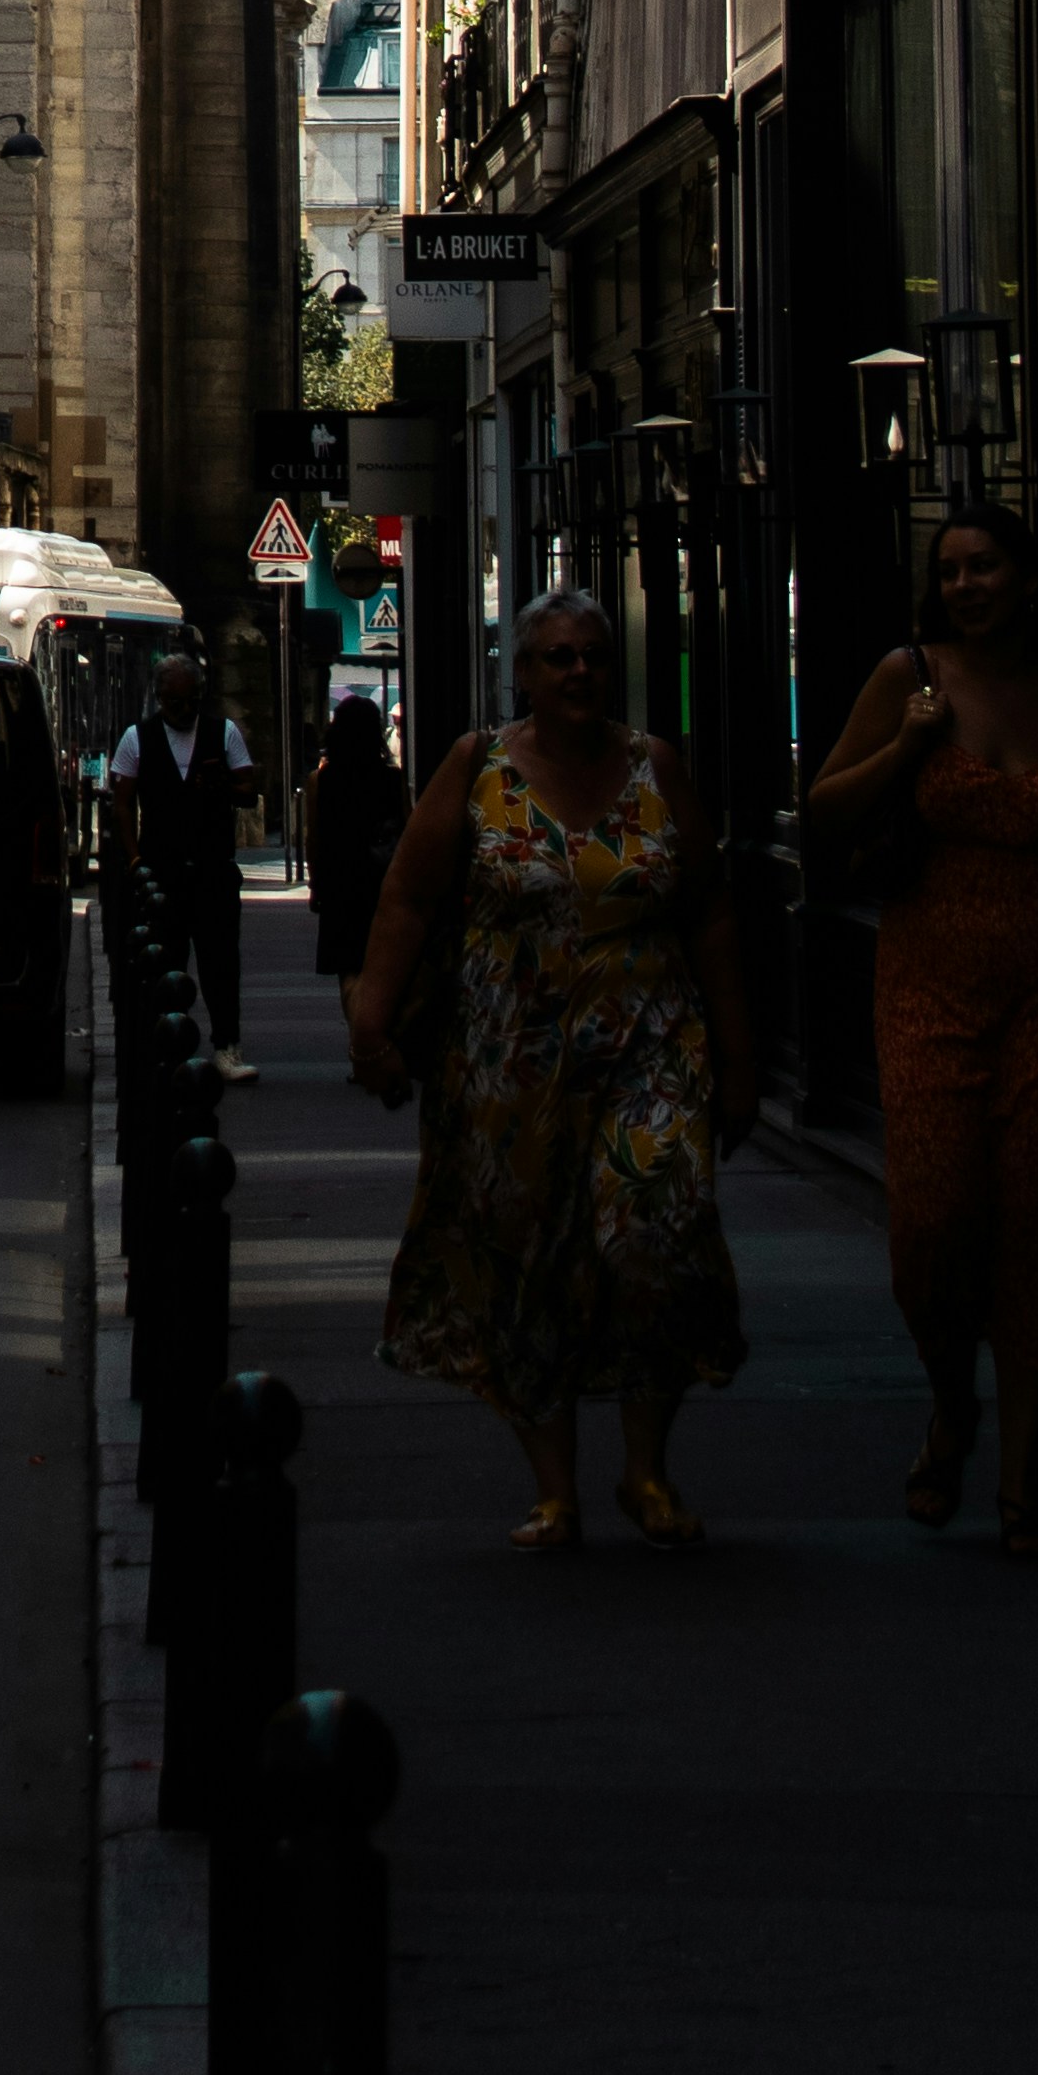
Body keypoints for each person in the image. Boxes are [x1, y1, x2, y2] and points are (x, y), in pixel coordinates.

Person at [348, 584, 754, 1553]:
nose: (577, 672)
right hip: (507, 1062)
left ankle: (647, 1470)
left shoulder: (655, 769)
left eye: (592, 656)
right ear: (522, 673)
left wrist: (738, 1062)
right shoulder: (477, 767)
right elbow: (408, 896)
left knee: (654, 1232)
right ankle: (555, 1489)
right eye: (557, 657)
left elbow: (711, 913)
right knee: (525, 1266)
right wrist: (373, 1022)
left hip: (647, 1046)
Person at [808, 493, 1038, 1552]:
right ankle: (950, 1400)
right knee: (930, 1216)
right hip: (931, 975)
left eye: (984, 568)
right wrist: (911, 749)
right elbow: (827, 803)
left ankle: (1021, 1488)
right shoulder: (909, 678)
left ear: (1027, 582)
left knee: (1035, 1225)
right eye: (950, 570)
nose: (964, 586)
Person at [108, 641, 259, 1076]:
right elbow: (123, 803)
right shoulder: (137, 738)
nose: (185, 708)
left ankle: (227, 1046)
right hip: (163, 871)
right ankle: (168, 1044)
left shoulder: (223, 733)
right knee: (166, 963)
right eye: (176, 701)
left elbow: (248, 789)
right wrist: (135, 860)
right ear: (160, 698)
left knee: (221, 965)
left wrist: (223, 787)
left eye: (192, 699)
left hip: (213, 870)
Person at [307, 683, 410, 990]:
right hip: (381, 880)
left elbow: (314, 838)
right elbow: (407, 829)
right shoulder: (393, 779)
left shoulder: (321, 781)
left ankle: (356, 1032)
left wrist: (316, 885)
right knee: (381, 965)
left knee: (347, 968)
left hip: (339, 882)